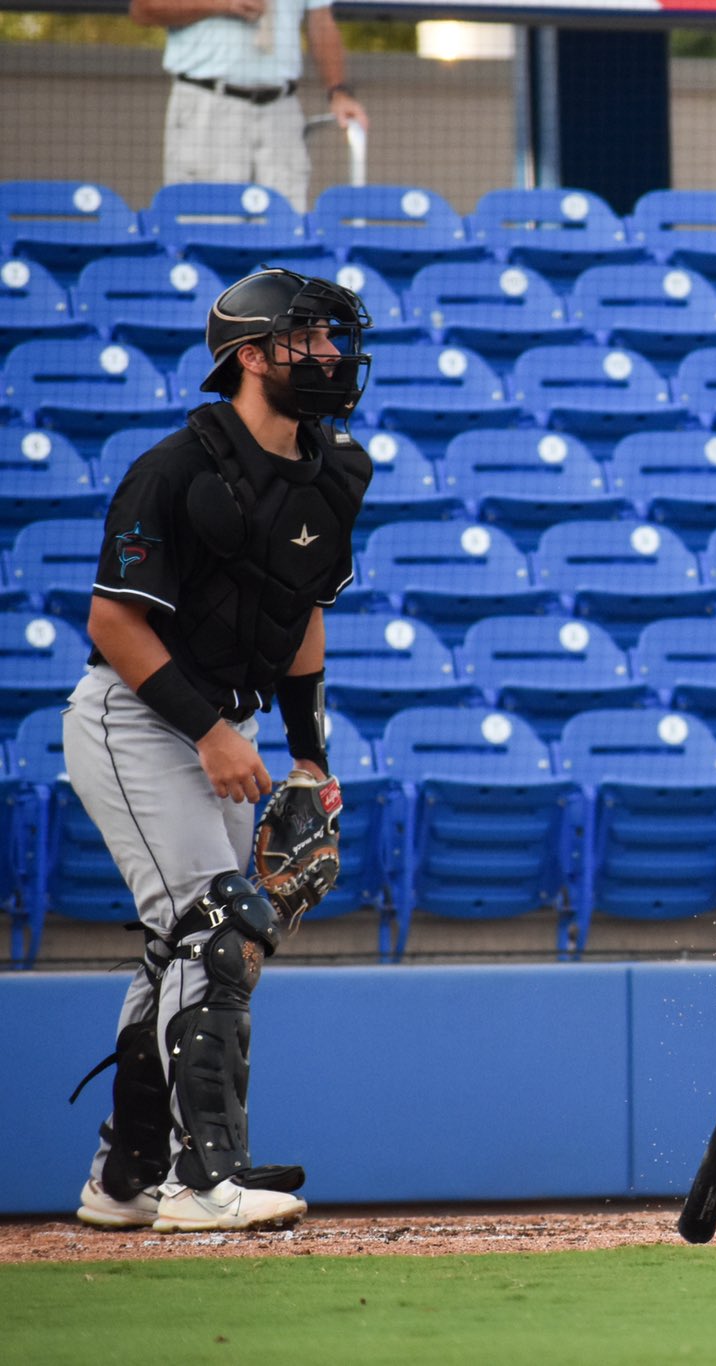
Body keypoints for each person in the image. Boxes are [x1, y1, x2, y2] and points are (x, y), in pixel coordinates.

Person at [68, 266, 373, 1233]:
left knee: (185, 954)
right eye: (308, 337)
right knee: (219, 922)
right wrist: (207, 733)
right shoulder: (171, 469)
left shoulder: (336, 471)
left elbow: (302, 615)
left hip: (223, 730)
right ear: (250, 356)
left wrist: (307, 755)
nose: (329, 353)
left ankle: (125, 1179)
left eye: (335, 337)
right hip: (134, 715)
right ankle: (207, 1183)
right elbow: (114, 623)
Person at [129, 0, 370, 213]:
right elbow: (144, 8)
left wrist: (338, 92)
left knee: (284, 233)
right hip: (209, 105)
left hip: (281, 112)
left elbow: (321, 20)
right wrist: (223, 4)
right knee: (208, 230)